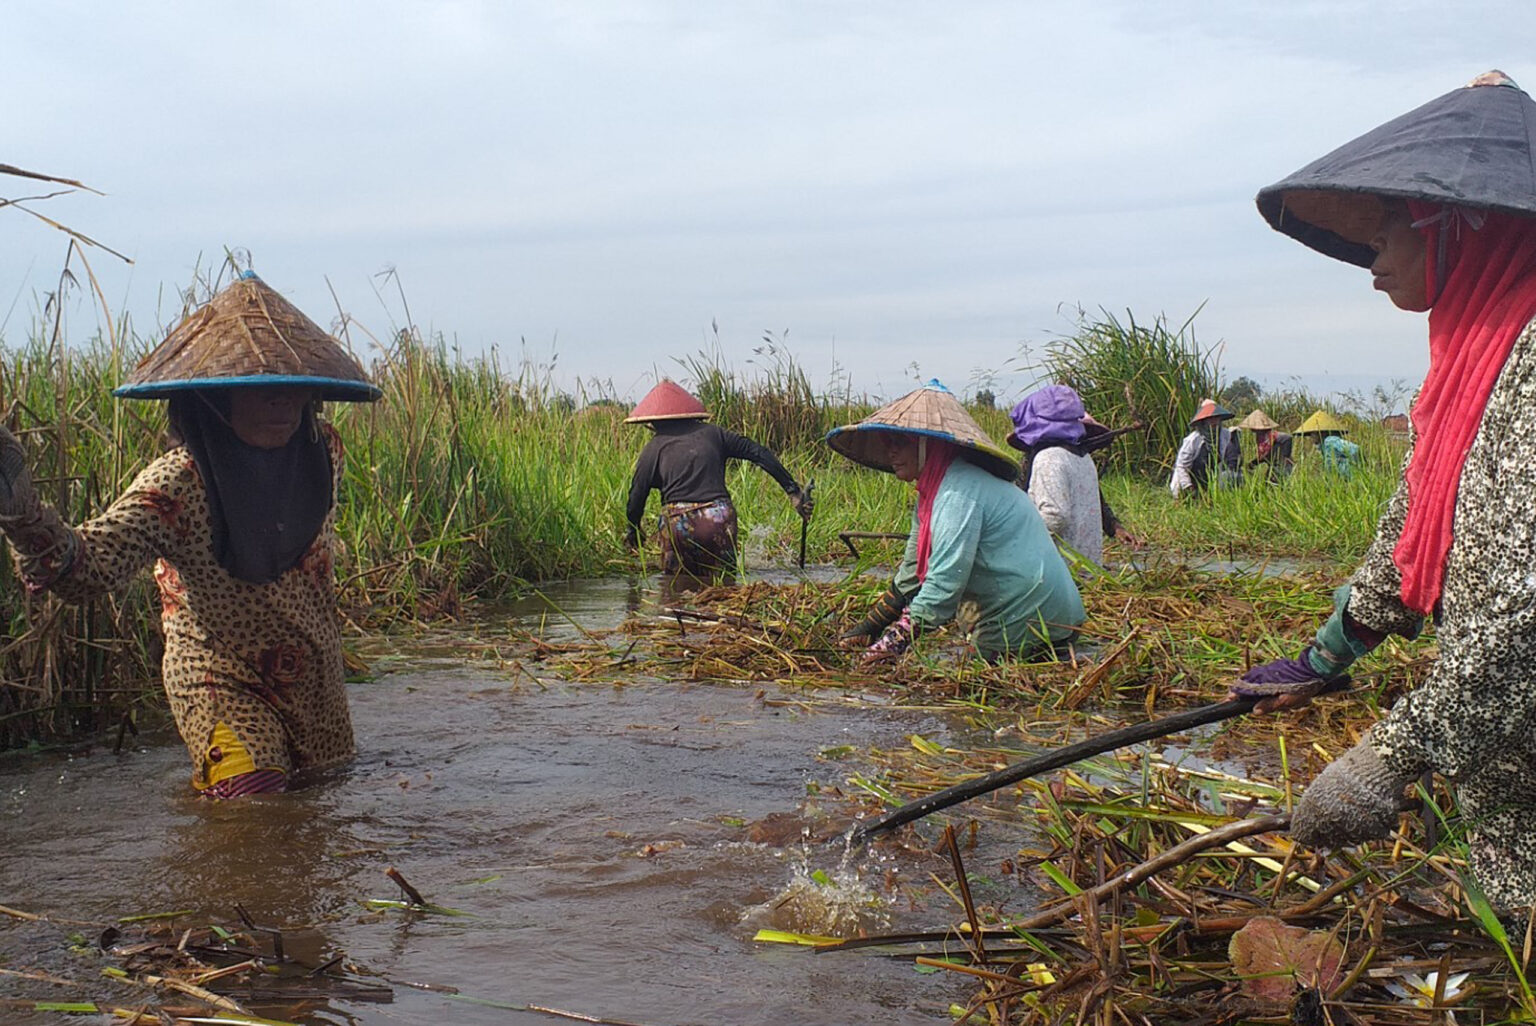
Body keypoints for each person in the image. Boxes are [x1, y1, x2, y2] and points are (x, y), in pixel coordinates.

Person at [1238, 71, 1536, 910]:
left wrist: (1389, 757)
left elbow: (1531, 615)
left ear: (1460, 228)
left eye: (1385, 237)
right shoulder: (1472, 361)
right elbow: (1415, 526)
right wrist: (1325, 657)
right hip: (1500, 730)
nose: (1372, 266)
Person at [0, 272, 380, 798]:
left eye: (293, 389)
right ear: (213, 401)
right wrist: (23, 517)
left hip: (313, 677)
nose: (284, 404)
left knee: (319, 804)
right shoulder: (179, 482)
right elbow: (91, 564)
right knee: (251, 803)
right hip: (218, 675)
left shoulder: (322, 454)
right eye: (264, 390)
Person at [828, 380, 1084, 663]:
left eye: (900, 443)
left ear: (929, 445)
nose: (891, 452)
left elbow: (943, 587)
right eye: (888, 443)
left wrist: (888, 646)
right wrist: (867, 629)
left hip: (1034, 621)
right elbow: (911, 575)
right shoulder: (932, 494)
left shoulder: (958, 492)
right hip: (1051, 617)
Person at [623, 380, 811, 579]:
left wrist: (633, 530)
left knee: (673, 590)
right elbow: (759, 453)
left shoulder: (653, 448)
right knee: (724, 587)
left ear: (653, 422)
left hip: (678, 523)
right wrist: (793, 491)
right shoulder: (715, 434)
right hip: (717, 518)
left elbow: (637, 494)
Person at [1006, 384, 1110, 565]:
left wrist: (1015, 541)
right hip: (1087, 570)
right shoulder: (1083, 458)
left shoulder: (1049, 458)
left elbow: (1055, 517)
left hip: (1059, 573)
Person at [1168, 398, 1237, 497]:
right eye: (1210, 418)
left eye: (1216, 417)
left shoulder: (1225, 435)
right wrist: (1188, 486)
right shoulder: (1193, 440)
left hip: (1212, 475)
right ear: (1204, 420)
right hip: (1190, 476)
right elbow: (1182, 466)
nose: (1214, 421)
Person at [1294, 410, 1360, 478]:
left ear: (1320, 433)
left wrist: (1354, 467)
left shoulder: (1330, 441)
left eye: (1313, 434)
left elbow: (1354, 449)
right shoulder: (1323, 447)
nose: (1311, 437)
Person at [1238, 409, 1294, 481]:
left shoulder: (1274, 436)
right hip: (1273, 465)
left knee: (1277, 484)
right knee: (1268, 483)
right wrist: (1253, 463)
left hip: (1283, 466)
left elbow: (1288, 438)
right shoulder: (1261, 439)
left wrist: (1284, 456)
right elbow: (1264, 455)